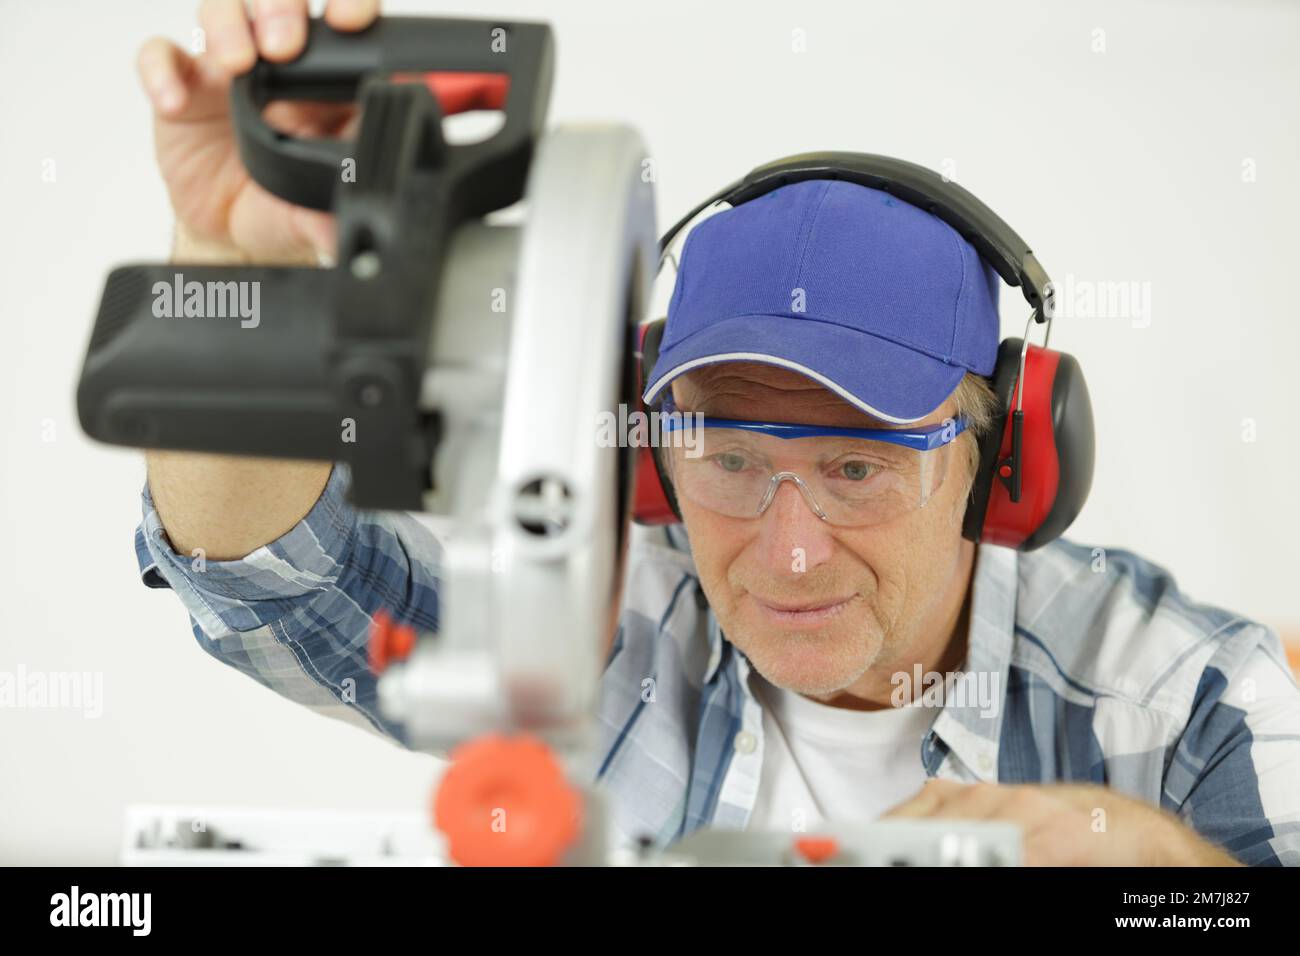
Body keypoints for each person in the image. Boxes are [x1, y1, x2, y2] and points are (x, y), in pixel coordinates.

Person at [132, 0, 1300, 865]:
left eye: (857, 465)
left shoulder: (1195, 700)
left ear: (1003, 464)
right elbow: (275, 581)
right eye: (730, 459)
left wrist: (1162, 871)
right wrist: (240, 253)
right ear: (647, 460)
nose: (787, 549)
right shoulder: (596, 619)